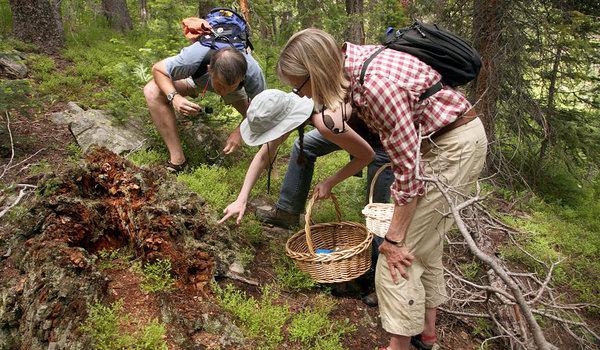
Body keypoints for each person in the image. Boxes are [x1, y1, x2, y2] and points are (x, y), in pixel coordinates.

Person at [277, 28, 487, 350]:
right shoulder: (355, 65)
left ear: (315, 70)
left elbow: (407, 172)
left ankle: (399, 346)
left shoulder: (376, 86)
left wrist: (392, 237)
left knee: (398, 255)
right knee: (425, 245)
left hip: (453, 148)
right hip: (451, 142)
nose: (302, 95)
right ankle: (426, 335)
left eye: (299, 86)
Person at [218, 89, 375, 226]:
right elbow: (263, 157)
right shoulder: (289, 107)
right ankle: (288, 212)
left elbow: (367, 156)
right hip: (344, 126)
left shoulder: (326, 122)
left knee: (377, 212)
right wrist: (241, 199)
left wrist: (329, 182)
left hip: (380, 134)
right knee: (304, 145)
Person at [143, 18, 266, 172]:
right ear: (210, 69)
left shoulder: (253, 72)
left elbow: (262, 108)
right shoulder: (194, 57)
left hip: (237, 90)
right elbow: (158, 69)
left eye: (228, 87)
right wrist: (174, 97)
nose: (223, 92)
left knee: (264, 120)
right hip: (199, 78)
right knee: (152, 91)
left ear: (242, 78)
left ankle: (266, 165)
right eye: (220, 86)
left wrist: (240, 131)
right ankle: (178, 161)